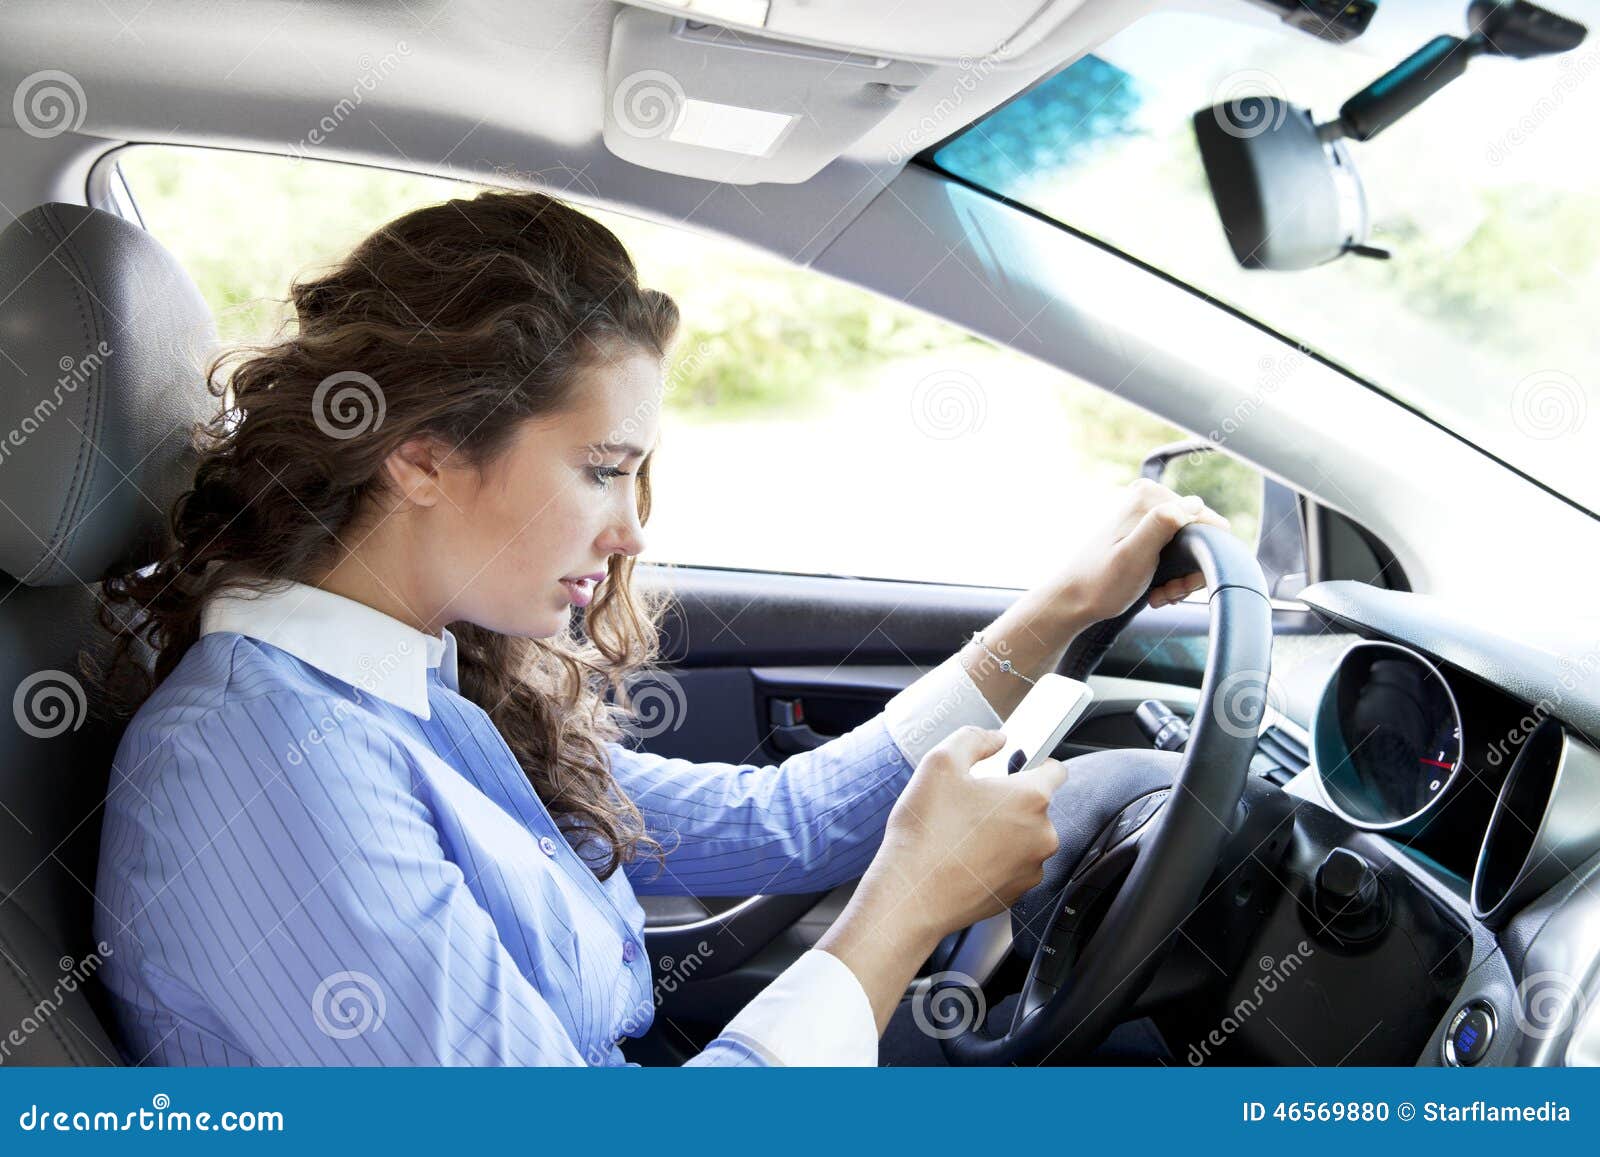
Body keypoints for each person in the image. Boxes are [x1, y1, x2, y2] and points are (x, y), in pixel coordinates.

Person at [90, 188, 1226, 1066]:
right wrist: (905, 910)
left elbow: (790, 821)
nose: (633, 529)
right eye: (601, 470)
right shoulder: (260, 766)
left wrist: (1062, 608)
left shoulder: (418, 683)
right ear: (422, 452)